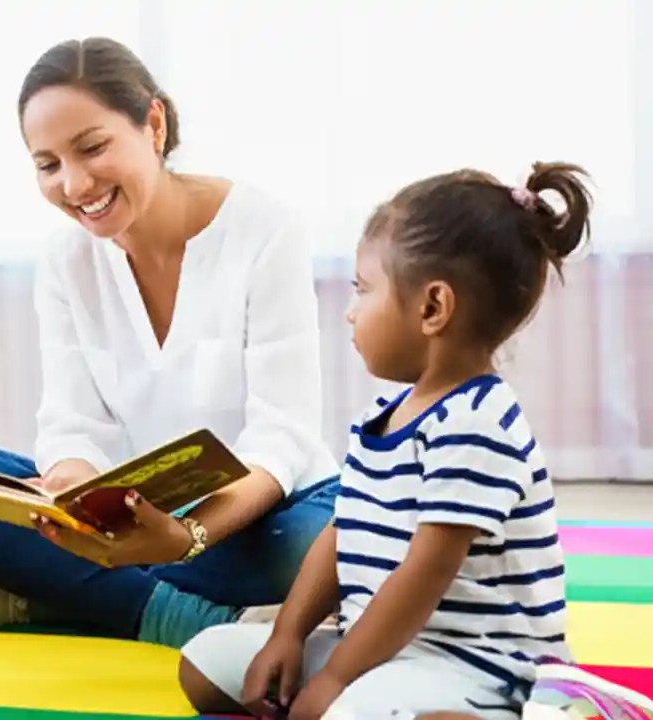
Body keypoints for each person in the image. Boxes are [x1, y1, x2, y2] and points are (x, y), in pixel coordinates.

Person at [0, 36, 340, 648]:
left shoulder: (265, 230)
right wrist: (70, 489)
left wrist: (188, 537)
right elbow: (71, 421)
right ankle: (181, 614)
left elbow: (282, 439)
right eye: (47, 164)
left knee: (323, 549)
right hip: (127, 514)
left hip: (262, 515)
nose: (75, 184)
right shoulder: (64, 259)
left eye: (93, 147)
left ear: (153, 124)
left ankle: (62, 594)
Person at [179, 163, 592, 719]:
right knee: (202, 665)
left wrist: (335, 677)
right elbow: (340, 532)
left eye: (363, 289)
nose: (351, 311)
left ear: (432, 308)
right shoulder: (385, 414)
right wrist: (288, 634)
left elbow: (423, 576)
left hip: (478, 665)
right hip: (384, 648)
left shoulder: (479, 422)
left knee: (345, 713)